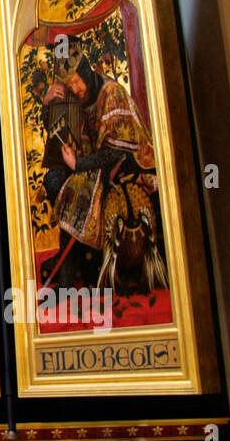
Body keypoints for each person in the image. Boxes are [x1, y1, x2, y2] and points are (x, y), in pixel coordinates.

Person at [38, 41, 157, 291]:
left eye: (77, 81)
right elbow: (57, 127)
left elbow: (116, 151)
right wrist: (47, 103)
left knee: (77, 191)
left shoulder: (110, 92)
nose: (76, 89)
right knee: (53, 179)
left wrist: (78, 163)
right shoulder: (78, 97)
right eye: (69, 85)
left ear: (85, 72)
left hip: (128, 168)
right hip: (95, 167)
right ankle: (74, 263)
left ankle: (68, 279)